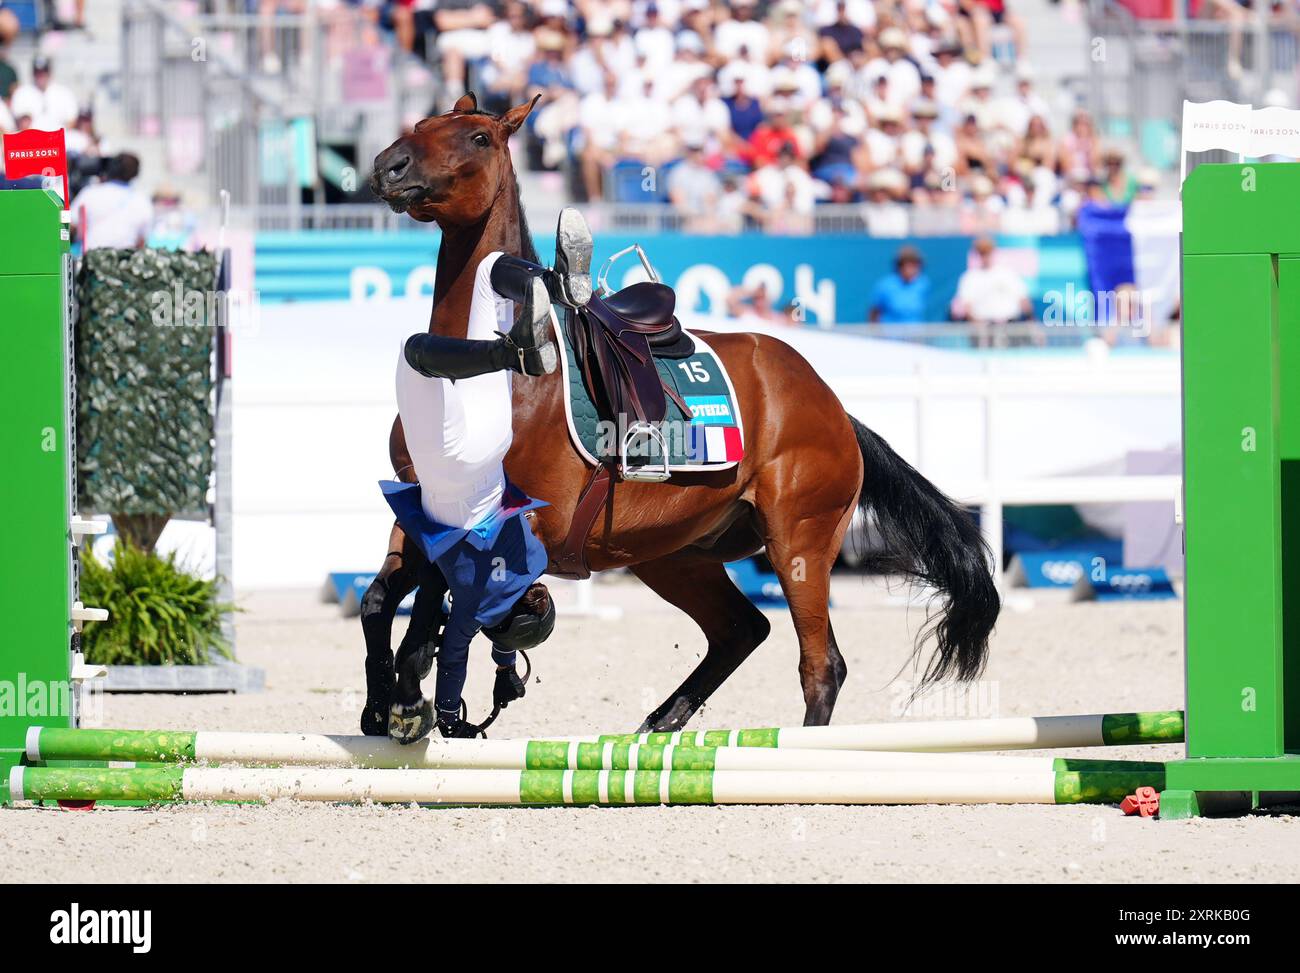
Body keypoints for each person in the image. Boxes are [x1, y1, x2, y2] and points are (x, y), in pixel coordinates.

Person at [382, 208, 593, 742]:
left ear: (535, 599)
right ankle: (509, 348)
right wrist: (450, 718)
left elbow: (514, 617)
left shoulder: (531, 558)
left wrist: (507, 664)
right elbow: (455, 655)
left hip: (497, 437)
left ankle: (551, 285)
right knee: (413, 355)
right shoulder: (476, 600)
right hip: (451, 459)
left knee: (487, 272)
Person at [950, 236, 1032, 346]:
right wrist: (979, 328)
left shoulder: (1007, 274)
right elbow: (967, 307)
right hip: (984, 332)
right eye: (982, 252)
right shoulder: (970, 278)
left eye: (987, 252)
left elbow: (1024, 301)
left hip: (1009, 329)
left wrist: (1032, 323)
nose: (985, 256)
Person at [69, 153, 153, 251]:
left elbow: (70, 226)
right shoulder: (142, 200)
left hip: (91, 259)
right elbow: (142, 240)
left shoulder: (90, 193)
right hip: (125, 261)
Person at [10, 56, 79, 132]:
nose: (41, 76)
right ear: (33, 73)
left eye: (44, 72)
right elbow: (22, 123)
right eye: (37, 72)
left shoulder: (64, 93)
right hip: (32, 139)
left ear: (49, 72)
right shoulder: (22, 93)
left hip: (58, 139)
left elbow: (72, 121)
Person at [869, 245, 930, 324]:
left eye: (916, 265)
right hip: (888, 335)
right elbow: (874, 312)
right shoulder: (885, 285)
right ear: (900, 265)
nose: (913, 269)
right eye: (909, 264)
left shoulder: (923, 284)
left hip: (916, 335)